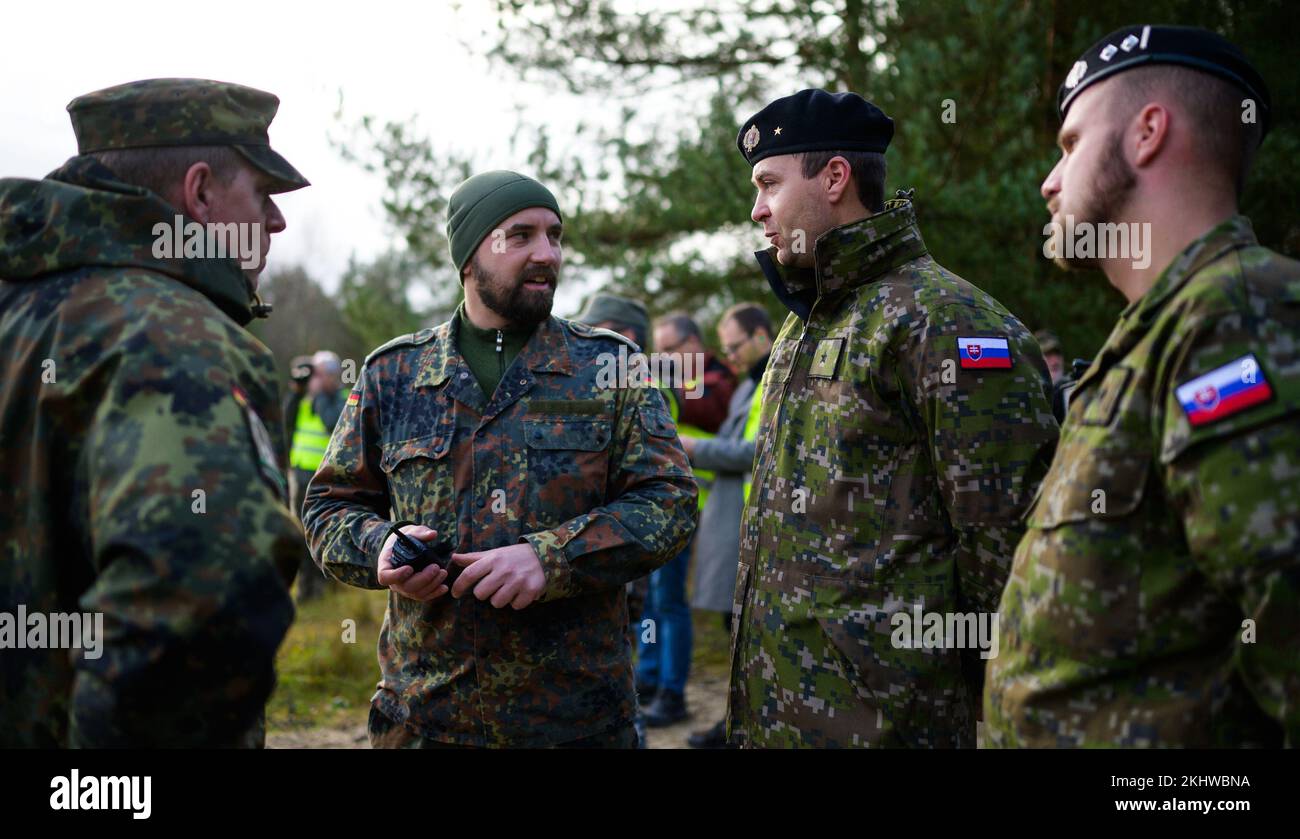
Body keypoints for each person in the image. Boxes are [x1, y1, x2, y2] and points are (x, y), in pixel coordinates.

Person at [302, 170, 698, 748]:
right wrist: (380, 547)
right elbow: (328, 506)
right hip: (426, 718)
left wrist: (552, 559)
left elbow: (671, 501)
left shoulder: (612, 366)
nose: (547, 253)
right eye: (520, 235)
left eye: (555, 235)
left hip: (575, 721)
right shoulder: (394, 375)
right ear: (468, 258)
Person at [986, 25, 1299, 748]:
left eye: (1069, 144)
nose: (1049, 180)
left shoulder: (1239, 317)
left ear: (1147, 131)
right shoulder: (1149, 339)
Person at [728, 89, 1059, 748]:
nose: (757, 209)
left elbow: (1004, 553)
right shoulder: (803, 325)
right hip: (777, 716)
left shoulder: (948, 322)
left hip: (887, 723)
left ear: (834, 177)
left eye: (769, 183)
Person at [0, 78, 309, 747]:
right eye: (261, 193)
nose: (276, 222)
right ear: (199, 193)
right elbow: (199, 601)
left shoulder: (18, 310)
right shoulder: (175, 337)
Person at [636, 313, 737, 727]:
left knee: (670, 600)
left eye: (671, 349)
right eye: (658, 350)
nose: (664, 358)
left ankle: (672, 692)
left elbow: (710, 406)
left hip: (702, 506)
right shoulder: (679, 377)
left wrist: (661, 381)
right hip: (661, 502)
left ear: (694, 343)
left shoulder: (719, 379)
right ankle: (649, 678)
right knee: (652, 598)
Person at [685, 302, 773, 749]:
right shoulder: (744, 388)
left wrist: (696, 450)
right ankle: (738, 720)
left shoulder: (777, 381)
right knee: (733, 631)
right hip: (732, 522)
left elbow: (759, 451)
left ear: (761, 335)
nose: (730, 355)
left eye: (735, 345)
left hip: (757, 526)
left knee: (752, 636)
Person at [573, 291, 656, 747]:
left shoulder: (636, 388)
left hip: (620, 552)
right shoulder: (586, 381)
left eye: (597, 327)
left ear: (626, 336)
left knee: (619, 651)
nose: (586, 337)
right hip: (580, 553)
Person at [287, 349, 347, 601]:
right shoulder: (305, 399)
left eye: (321, 374)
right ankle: (303, 588)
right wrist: (297, 390)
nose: (316, 379)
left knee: (322, 531)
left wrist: (320, 395)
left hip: (325, 478)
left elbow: (330, 422)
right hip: (300, 475)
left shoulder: (341, 399)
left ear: (333, 376)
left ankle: (322, 586)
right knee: (300, 532)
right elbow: (285, 419)